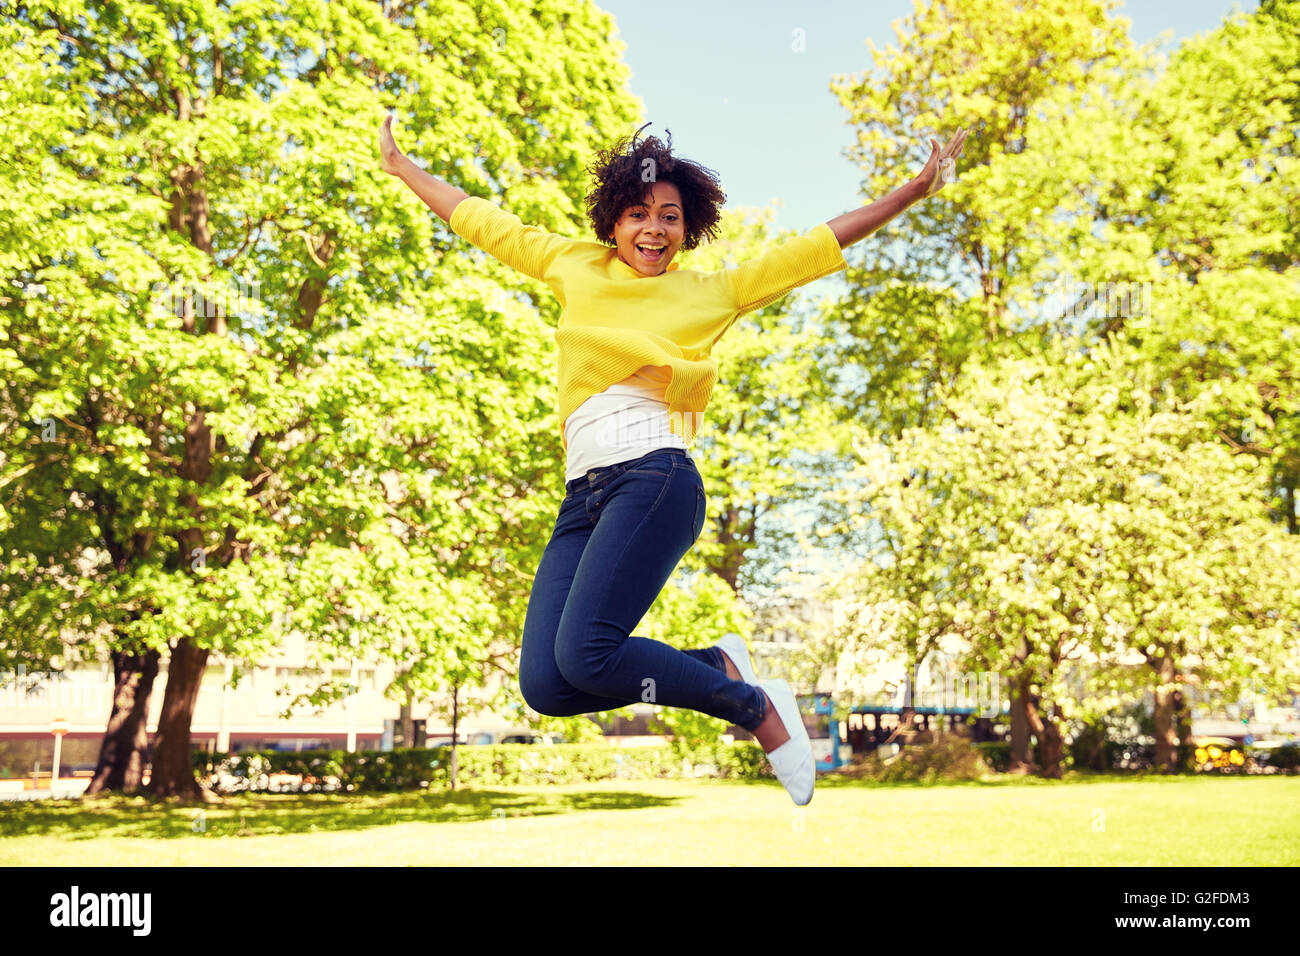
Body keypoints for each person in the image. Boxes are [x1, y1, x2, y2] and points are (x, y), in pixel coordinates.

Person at [380, 114, 967, 805]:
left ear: (687, 229)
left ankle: (755, 711)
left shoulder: (710, 293)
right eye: (638, 215)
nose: (653, 230)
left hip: (654, 478)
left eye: (669, 217)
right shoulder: (572, 264)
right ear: (613, 223)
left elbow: (815, 246)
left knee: (589, 652)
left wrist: (914, 189)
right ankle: (719, 666)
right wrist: (402, 168)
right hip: (583, 498)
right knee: (548, 683)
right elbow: (482, 219)